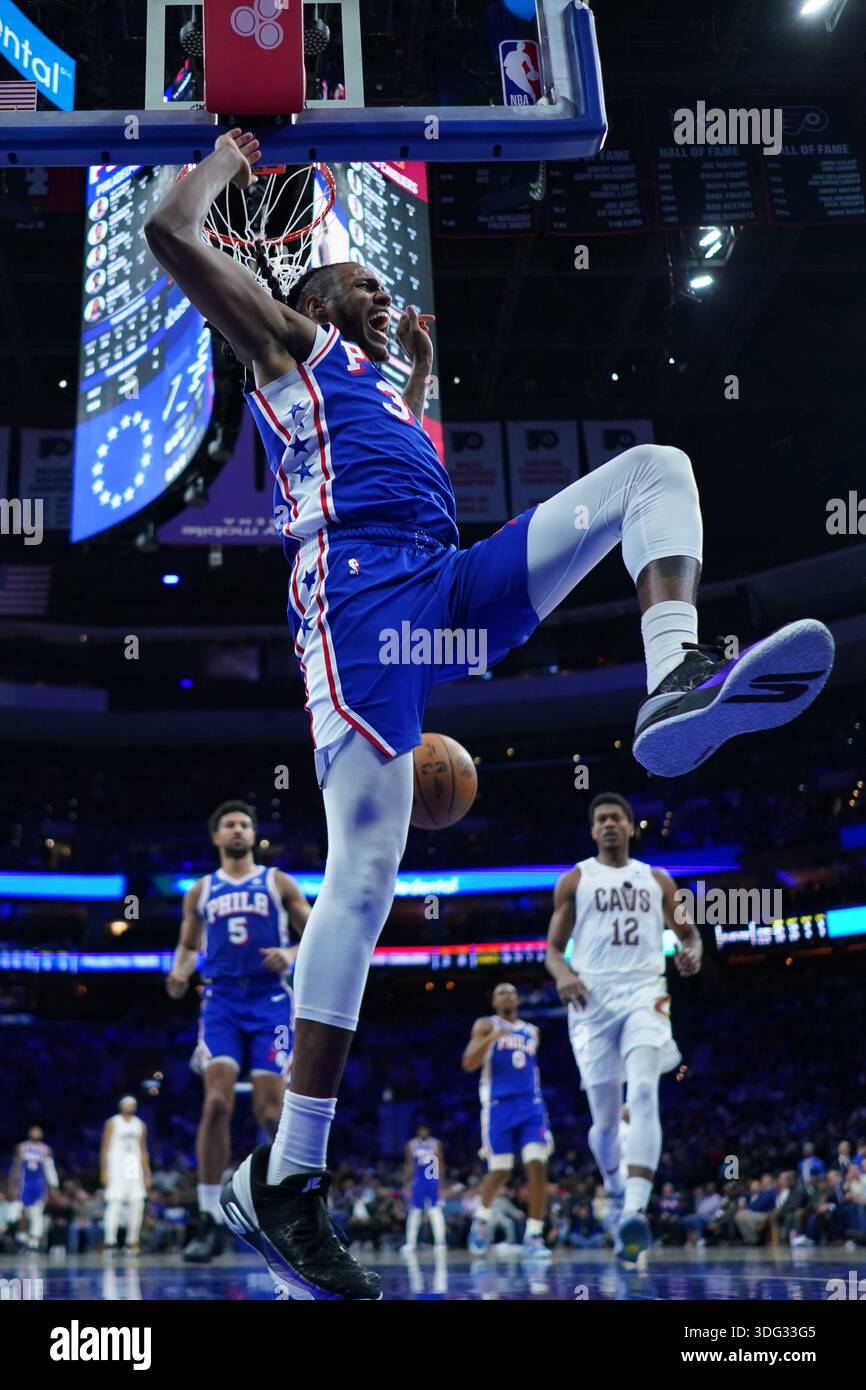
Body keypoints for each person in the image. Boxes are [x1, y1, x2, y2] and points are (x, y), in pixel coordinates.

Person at [143, 130, 835, 1300]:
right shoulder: (290, 347)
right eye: (359, 280)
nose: (378, 287)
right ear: (307, 297)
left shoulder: (376, 385)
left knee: (653, 469)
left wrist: (410, 376)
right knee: (364, 868)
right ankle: (288, 1175)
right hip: (358, 604)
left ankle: (671, 673)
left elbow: (389, 440)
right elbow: (170, 232)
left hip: (445, 585)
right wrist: (221, 157)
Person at [545, 792, 702, 1263]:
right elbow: (553, 950)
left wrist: (692, 948)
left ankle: (635, 1208)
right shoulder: (575, 879)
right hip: (591, 1001)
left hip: (644, 993)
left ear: (632, 827)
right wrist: (565, 974)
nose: (610, 824)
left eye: (617, 818)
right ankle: (615, 1191)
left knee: (646, 1095)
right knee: (607, 1123)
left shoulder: (656, 879)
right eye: (601, 820)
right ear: (593, 831)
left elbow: (689, 931)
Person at [166, 799, 310, 1262]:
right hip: (221, 1000)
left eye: (244, 824)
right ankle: (208, 1215)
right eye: (228, 824)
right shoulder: (201, 890)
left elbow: (316, 931)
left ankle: (294, 1212)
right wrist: (179, 971)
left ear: (253, 835)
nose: (237, 830)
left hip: (269, 1000)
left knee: (272, 1111)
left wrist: (290, 956)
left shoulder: (276, 880)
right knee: (216, 1102)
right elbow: (188, 946)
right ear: (216, 837)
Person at [462, 983, 553, 1260]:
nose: (507, 995)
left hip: (530, 1104)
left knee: (537, 1165)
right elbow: (468, 1063)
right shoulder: (485, 1025)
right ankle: (482, 1219)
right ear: (493, 1000)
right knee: (501, 1169)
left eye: (512, 991)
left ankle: (534, 1234)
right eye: (500, 991)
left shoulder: (531, 1031)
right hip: (498, 1107)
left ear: (518, 999)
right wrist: (492, 1038)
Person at [100, 1096, 151, 1254]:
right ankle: (110, 1241)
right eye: (128, 1104)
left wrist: (147, 1173)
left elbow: (143, 1150)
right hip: (116, 1163)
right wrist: (104, 1170)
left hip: (132, 1164)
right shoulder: (112, 1122)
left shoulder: (140, 1124)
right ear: (121, 1106)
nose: (131, 1107)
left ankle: (132, 1241)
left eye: (133, 1105)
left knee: (137, 1203)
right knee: (114, 1202)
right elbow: (105, 1147)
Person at [9, 1126, 59, 1251]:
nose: (36, 1133)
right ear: (29, 1133)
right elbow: (16, 1166)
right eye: (33, 1131)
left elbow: (50, 1169)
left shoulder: (45, 1149)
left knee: (37, 1213)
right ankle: (22, 1238)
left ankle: (34, 1242)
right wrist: (12, 1184)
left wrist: (53, 1186)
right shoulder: (22, 1147)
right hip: (24, 1184)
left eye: (38, 1131)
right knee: (21, 1212)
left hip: (39, 1186)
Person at [401, 1123, 447, 1252]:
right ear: (418, 1131)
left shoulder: (435, 1143)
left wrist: (441, 1184)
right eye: (421, 1129)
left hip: (432, 1180)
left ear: (428, 1130)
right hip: (418, 1181)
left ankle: (440, 1242)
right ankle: (411, 1243)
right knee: (415, 1212)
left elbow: (441, 1164)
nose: (423, 1132)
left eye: (425, 1129)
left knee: (435, 1211)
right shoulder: (412, 1144)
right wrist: (406, 1182)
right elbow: (408, 1164)